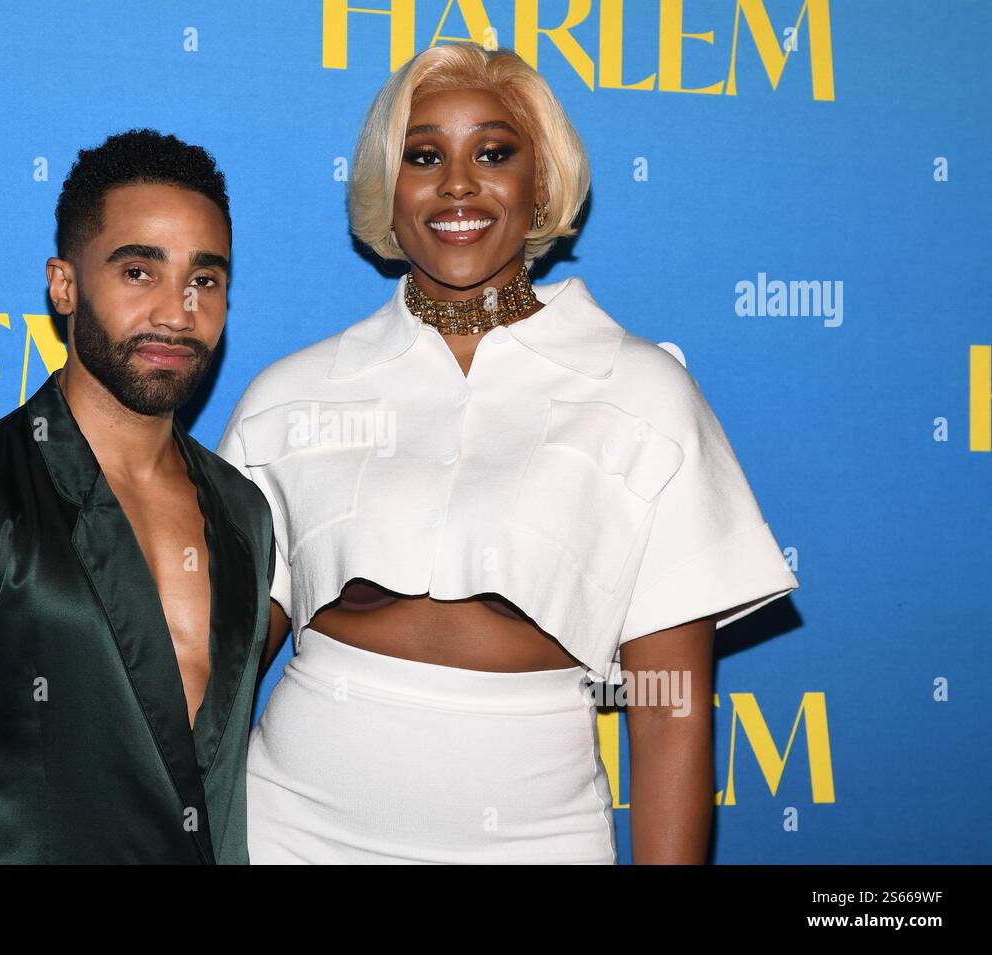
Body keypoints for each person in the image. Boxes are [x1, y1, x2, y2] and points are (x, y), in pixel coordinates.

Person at [216, 45, 799, 864]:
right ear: (392, 186)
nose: (458, 184)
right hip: (289, 832)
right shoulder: (292, 394)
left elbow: (668, 710)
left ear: (542, 186)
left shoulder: (642, 391)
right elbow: (213, 683)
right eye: (424, 156)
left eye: (493, 153)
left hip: (536, 840)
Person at [0, 129, 276, 863]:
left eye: (205, 279)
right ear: (64, 284)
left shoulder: (241, 513)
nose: (177, 310)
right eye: (139, 271)